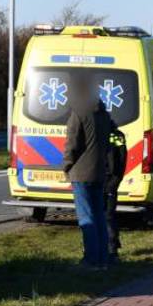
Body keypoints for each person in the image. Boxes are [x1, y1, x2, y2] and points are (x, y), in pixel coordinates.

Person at [62, 78, 115, 270]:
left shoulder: (79, 113)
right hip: (99, 172)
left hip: (81, 173)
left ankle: (90, 260)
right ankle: (103, 258)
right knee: (99, 216)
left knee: (86, 218)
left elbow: (72, 145)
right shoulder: (103, 114)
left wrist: (67, 166)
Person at [105, 127, 127, 263]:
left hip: (109, 180)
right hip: (95, 179)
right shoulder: (93, 131)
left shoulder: (117, 135)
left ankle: (112, 250)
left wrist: (114, 182)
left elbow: (121, 160)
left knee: (108, 215)